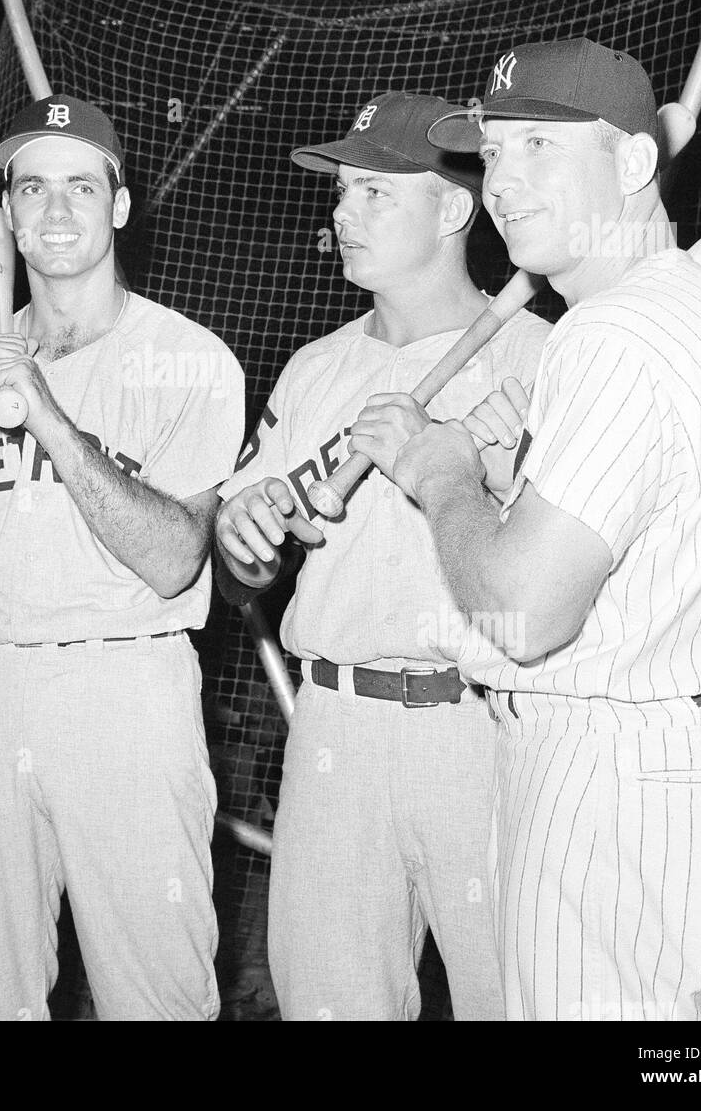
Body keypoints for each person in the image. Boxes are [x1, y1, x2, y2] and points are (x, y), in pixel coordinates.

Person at [380, 37, 701, 1020]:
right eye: (493, 151)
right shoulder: (673, 311)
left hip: (613, 792)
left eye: (539, 148)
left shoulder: (616, 332)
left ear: (635, 162)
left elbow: (525, 607)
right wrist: (498, 470)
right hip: (679, 778)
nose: (504, 180)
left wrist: (441, 478)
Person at [0, 93, 245, 1021]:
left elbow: (174, 557)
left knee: (157, 991)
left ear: (119, 206)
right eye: (32, 188)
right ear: (6, 213)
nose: (54, 210)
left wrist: (44, 409)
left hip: (125, 688)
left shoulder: (190, 358)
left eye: (80, 187)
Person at [215, 92, 550, 1020]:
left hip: (484, 730)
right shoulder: (312, 369)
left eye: (373, 193)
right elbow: (250, 571)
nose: (341, 212)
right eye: (342, 191)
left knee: (519, 1000)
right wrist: (243, 534)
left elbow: (580, 584)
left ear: (453, 211)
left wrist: (500, 477)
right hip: (332, 729)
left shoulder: (541, 359)